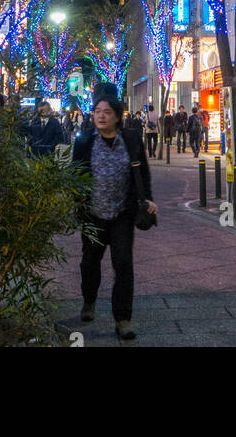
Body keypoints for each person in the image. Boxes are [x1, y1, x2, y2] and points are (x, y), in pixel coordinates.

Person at [72, 82, 156, 340]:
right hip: (93, 214)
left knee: (123, 265)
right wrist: (76, 202)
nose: (100, 115)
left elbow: (142, 171)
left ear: (117, 116)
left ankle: (123, 319)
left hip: (122, 213)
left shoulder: (129, 140)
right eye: (97, 111)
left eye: (107, 112)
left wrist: (147, 199)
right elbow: (76, 174)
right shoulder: (86, 141)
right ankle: (89, 300)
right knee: (89, 262)